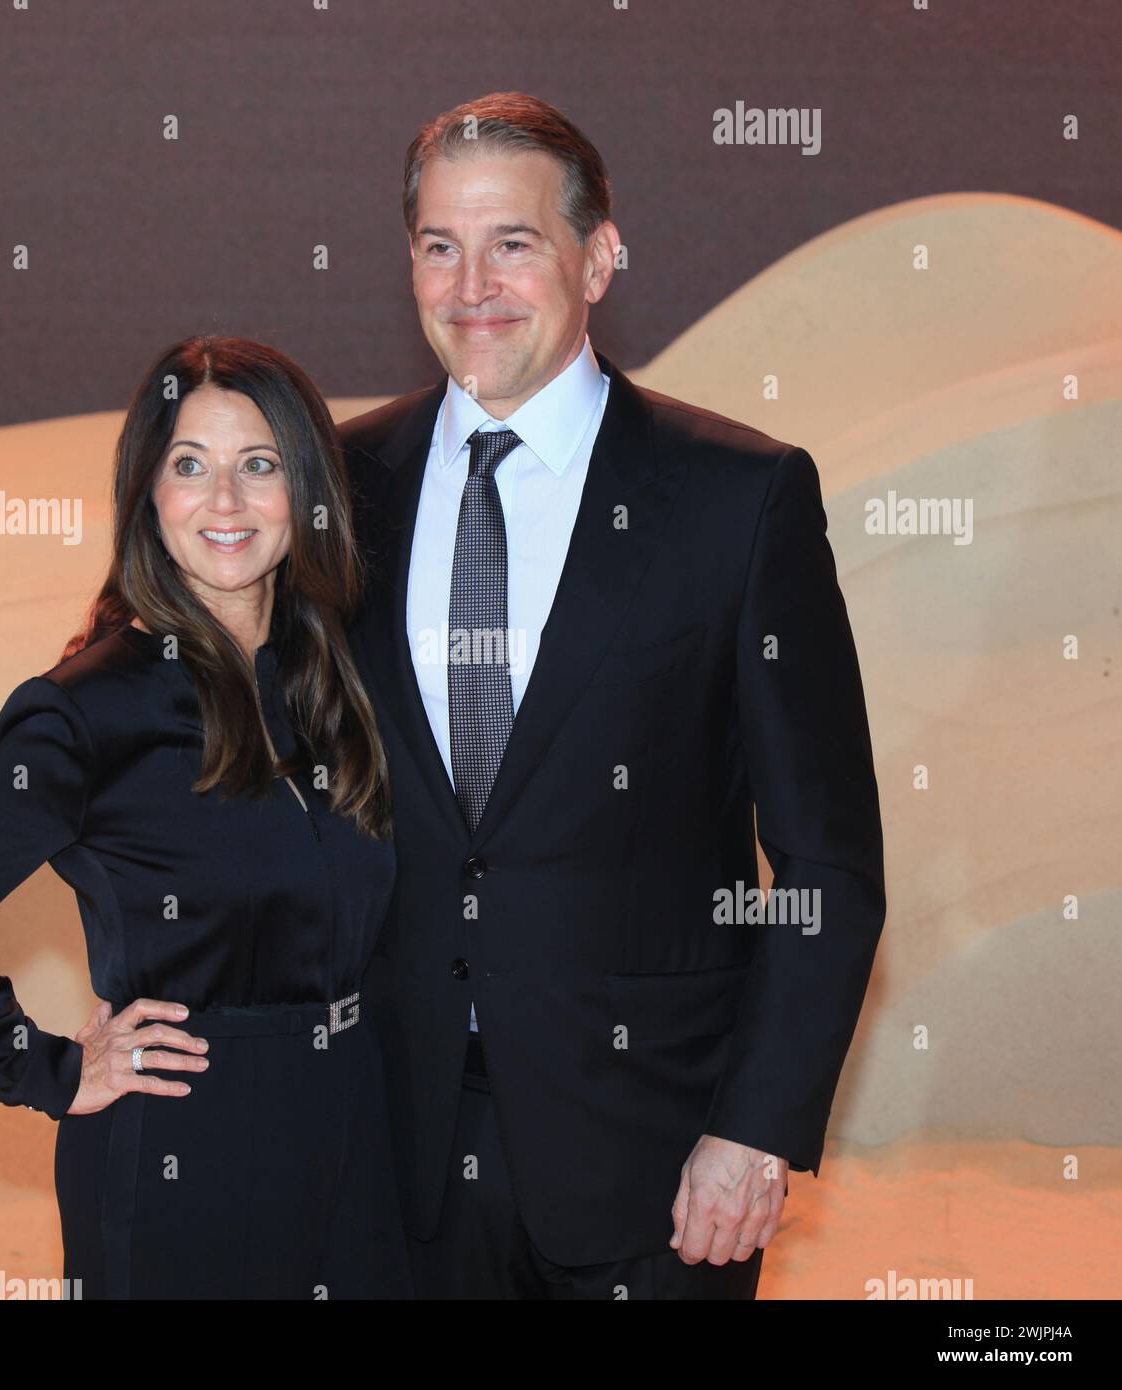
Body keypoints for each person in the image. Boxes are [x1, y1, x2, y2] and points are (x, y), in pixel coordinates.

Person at [338, 91, 886, 1300]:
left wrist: (755, 1127)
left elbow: (827, 863)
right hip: (387, 1151)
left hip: (657, 1163)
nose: (471, 282)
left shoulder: (736, 497)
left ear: (600, 254)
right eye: (440, 245)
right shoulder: (340, 486)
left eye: (513, 242)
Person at [0, 336, 412, 1300]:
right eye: (188, 466)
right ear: (147, 494)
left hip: (358, 1129)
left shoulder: (338, 678)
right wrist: (51, 1071)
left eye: (259, 465)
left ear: (307, 491)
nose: (224, 502)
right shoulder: (90, 709)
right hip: (186, 1146)